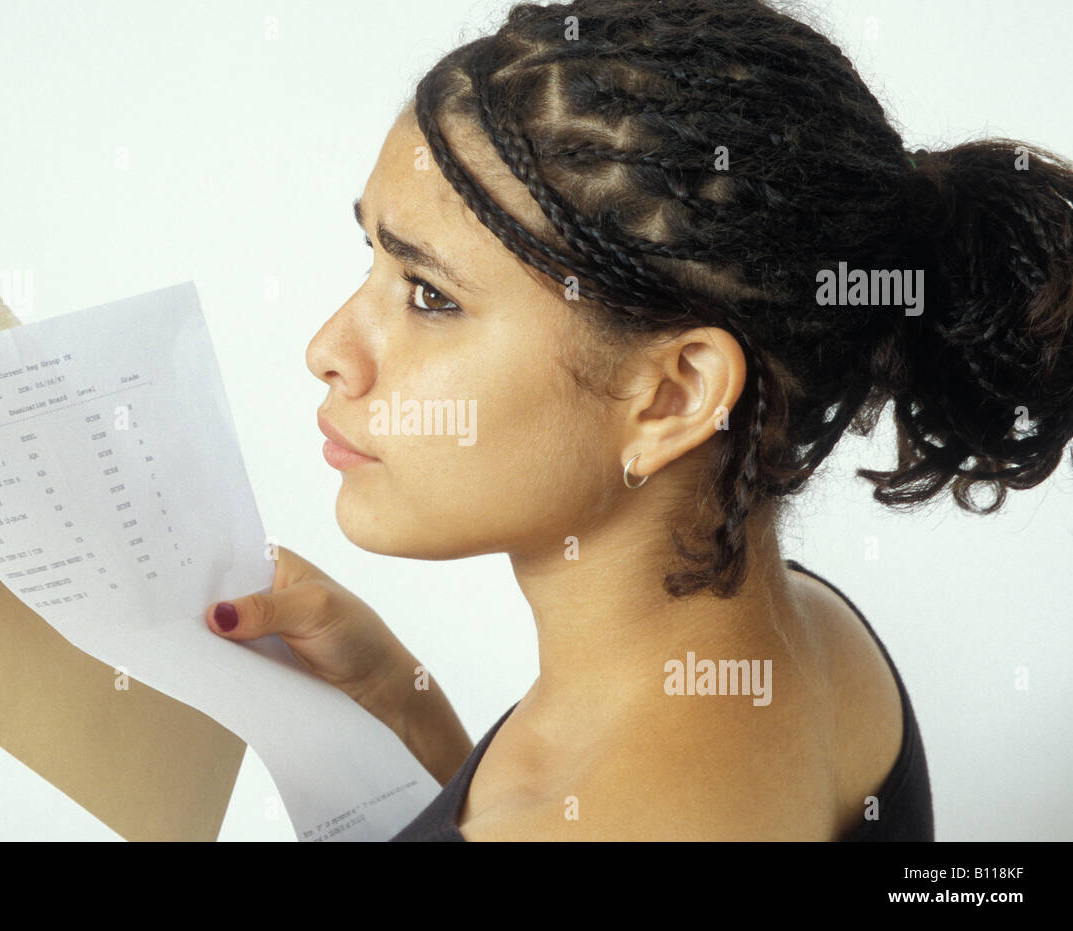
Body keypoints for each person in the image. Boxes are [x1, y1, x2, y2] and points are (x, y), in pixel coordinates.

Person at [207, 0, 1073, 840]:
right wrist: (400, 698)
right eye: (374, 261)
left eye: (430, 294)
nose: (328, 348)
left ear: (675, 394)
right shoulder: (818, 644)